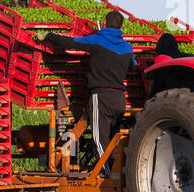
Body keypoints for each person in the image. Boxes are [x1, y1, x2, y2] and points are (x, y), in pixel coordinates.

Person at [41, 10, 133, 160]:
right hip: (119, 99)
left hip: (101, 97)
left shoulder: (97, 39)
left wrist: (49, 36)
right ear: (121, 28)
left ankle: (110, 178)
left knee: (99, 141)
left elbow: (71, 42)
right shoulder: (127, 47)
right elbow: (132, 66)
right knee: (113, 140)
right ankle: (118, 173)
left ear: (104, 23)